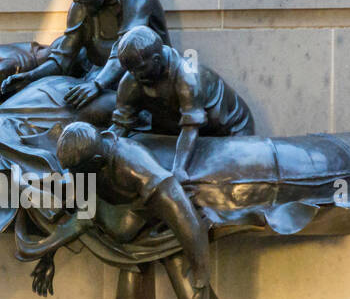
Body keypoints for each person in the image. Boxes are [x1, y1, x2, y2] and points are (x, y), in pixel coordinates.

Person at [55, 122, 254, 299]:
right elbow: (83, 216)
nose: (75, 178)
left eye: (79, 173)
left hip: (170, 230)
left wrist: (200, 273)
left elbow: (187, 222)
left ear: (97, 162)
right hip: (132, 239)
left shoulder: (136, 166)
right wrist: (47, 254)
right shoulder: (84, 166)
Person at [0, 0, 170, 112]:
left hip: (142, 84)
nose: (76, 1)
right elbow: (63, 57)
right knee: (42, 93)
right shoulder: (81, 5)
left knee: (71, 110)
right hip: (96, 79)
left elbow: (126, 51)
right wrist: (31, 77)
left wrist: (97, 85)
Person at [109, 26, 255, 182]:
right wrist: (101, 146)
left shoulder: (187, 77)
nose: (135, 75)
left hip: (230, 131)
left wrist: (179, 169)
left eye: (141, 69)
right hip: (181, 131)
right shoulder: (132, 79)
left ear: (157, 59)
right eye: (130, 70)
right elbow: (121, 125)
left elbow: (190, 129)